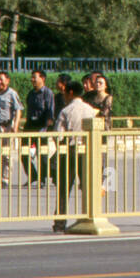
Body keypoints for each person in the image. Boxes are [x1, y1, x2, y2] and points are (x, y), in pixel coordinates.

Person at [51, 80, 99, 232]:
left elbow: (58, 135)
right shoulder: (90, 109)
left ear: (70, 93)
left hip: (70, 151)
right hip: (87, 152)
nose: (63, 96)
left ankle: (60, 223)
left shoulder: (66, 111)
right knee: (88, 186)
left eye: (65, 92)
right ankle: (90, 216)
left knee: (64, 189)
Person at [23, 67, 56, 184]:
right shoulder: (31, 94)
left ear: (42, 78)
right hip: (30, 126)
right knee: (24, 152)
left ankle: (42, 178)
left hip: (41, 127)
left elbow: (50, 111)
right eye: (31, 77)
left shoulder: (48, 93)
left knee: (42, 154)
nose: (32, 79)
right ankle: (33, 175)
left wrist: (47, 127)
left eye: (34, 77)